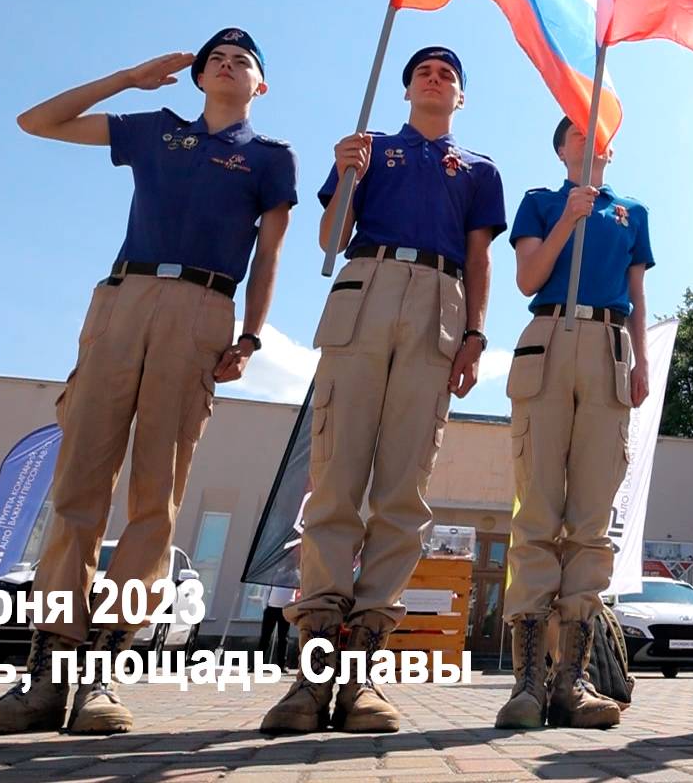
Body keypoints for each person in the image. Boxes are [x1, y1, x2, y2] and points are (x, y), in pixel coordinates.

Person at [0, 30, 296, 737]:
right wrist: (126, 78)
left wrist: (252, 335)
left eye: (243, 63)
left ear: (260, 87)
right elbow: (36, 123)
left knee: (155, 493)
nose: (228, 67)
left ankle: (102, 670)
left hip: (204, 307)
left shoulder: (271, 158)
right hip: (121, 299)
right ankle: (49, 673)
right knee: (79, 482)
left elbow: (269, 255)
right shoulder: (154, 132)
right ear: (199, 78)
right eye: (216, 61)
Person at [262, 46, 503, 735]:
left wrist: (477, 334)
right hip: (365, 289)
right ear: (406, 90)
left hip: (440, 304)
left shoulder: (478, 169)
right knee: (336, 480)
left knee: (403, 488)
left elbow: (480, 255)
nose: (437, 78)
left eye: (449, 74)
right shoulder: (368, 150)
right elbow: (330, 239)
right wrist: (345, 176)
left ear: (460, 97)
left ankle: (360, 671)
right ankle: (312, 676)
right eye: (425, 71)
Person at [495, 115, 654, 731]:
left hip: (610, 346)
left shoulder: (632, 212)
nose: (591, 140)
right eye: (579, 133)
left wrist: (639, 360)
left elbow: (636, 293)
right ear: (562, 148)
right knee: (537, 510)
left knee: (591, 521)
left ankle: (574, 679)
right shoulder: (540, 202)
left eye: (600, 132)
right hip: (548, 336)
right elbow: (529, 278)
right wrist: (569, 217)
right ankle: (527, 682)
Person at [259, 583, 297, 669]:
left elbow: (298, 591)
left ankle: (281, 665)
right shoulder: (275, 576)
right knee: (265, 638)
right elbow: (266, 591)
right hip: (271, 608)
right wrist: (265, 607)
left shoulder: (295, 576)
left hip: (286, 609)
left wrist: (293, 609)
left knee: (283, 639)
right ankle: (256, 664)